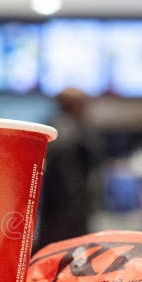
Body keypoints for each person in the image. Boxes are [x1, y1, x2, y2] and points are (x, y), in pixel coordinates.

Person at [36, 88, 97, 249]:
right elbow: (72, 180)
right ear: (76, 106)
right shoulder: (75, 133)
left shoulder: (51, 128)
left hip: (52, 211)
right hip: (68, 214)